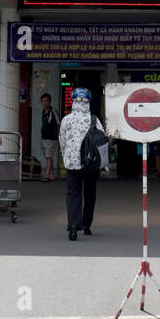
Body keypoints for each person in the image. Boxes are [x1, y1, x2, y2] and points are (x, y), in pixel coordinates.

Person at [58, 87, 100, 240]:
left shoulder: (66, 119)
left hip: (73, 163)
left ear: (73, 101)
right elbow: (101, 142)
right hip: (91, 163)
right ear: (88, 102)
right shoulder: (94, 119)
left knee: (73, 194)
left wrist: (66, 157)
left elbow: (62, 141)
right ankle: (87, 224)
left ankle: (74, 226)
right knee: (90, 193)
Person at [38, 92, 60, 181]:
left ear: (49, 102)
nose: (44, 103)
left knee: (48, 156)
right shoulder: (43, 112)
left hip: (52, 138)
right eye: (43, 101)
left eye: (46, 101)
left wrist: (59, 135)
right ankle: (51, 175)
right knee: (48, 156)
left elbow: (59, 123)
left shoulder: (53, 111)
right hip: (44, 137)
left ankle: (47, 175)